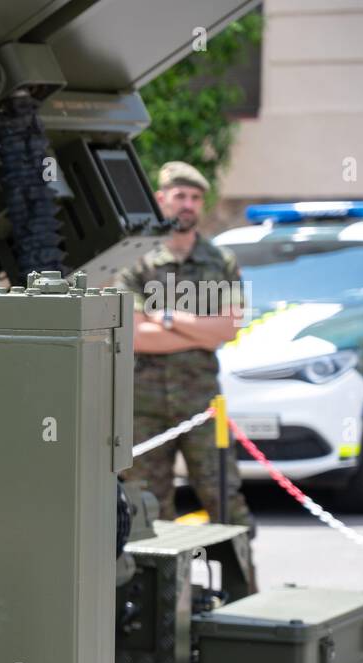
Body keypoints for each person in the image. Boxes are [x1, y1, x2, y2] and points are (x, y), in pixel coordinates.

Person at [115, 160, 253, 530]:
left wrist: (168, 318)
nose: (188, 204)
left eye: (195, 197)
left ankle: (239, 569)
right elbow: (134, 335)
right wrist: (201, 331)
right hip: (143, 408)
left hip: (201, 403)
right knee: (146, 507)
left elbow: (228, 328)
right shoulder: (135, 261)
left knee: (224, 498)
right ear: (161, 199)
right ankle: (161, 572)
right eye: (180, 196)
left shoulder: (220, 261)